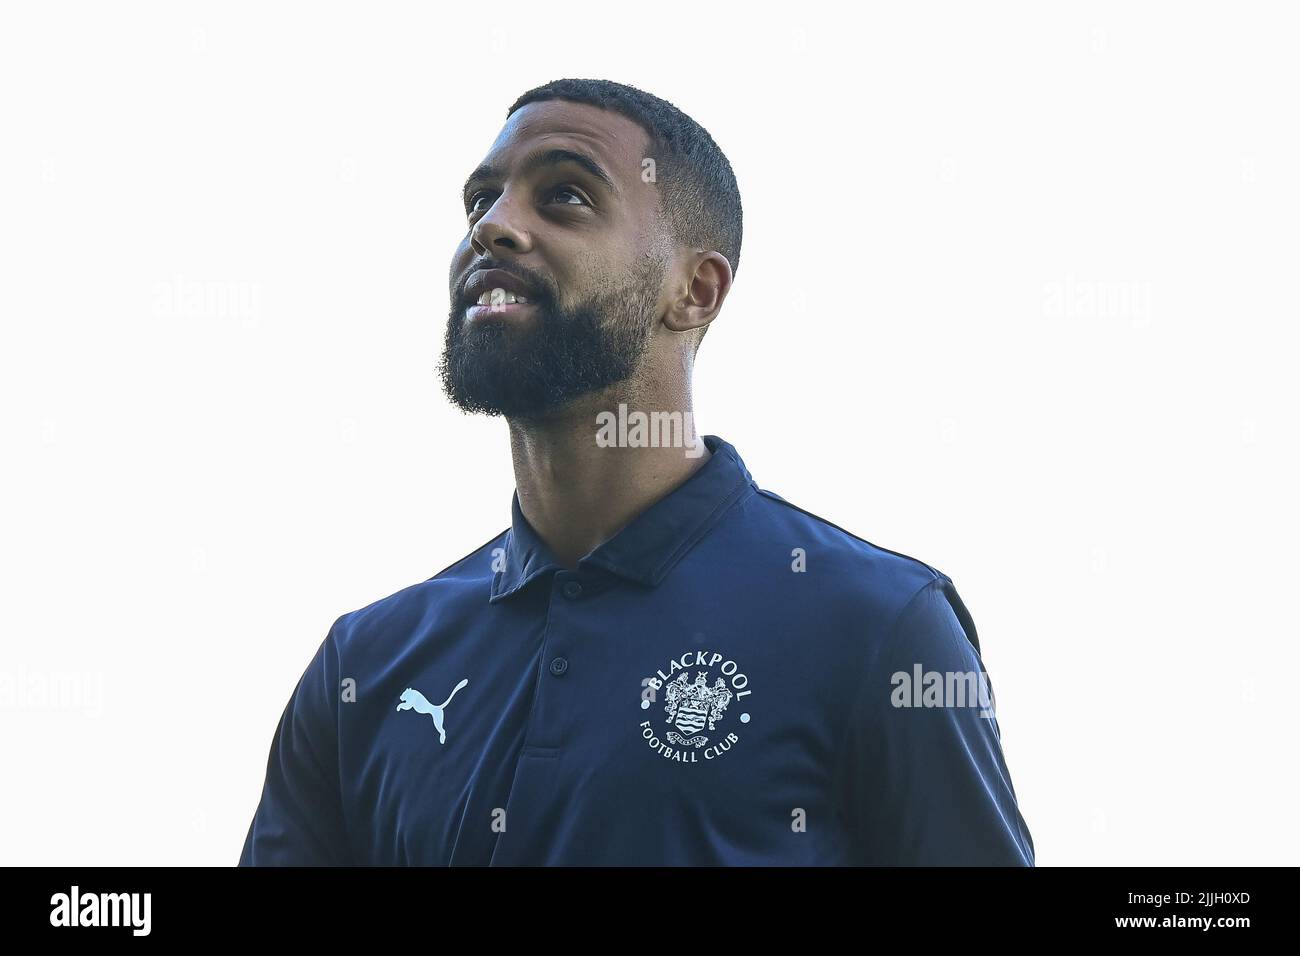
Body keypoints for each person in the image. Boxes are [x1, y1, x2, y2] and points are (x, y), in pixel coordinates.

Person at [238, 78, 1035, 866]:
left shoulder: (881, 627)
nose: (495, 227)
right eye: (480, 201)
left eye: (565, 197)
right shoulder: (367, 664)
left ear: (695, 290)